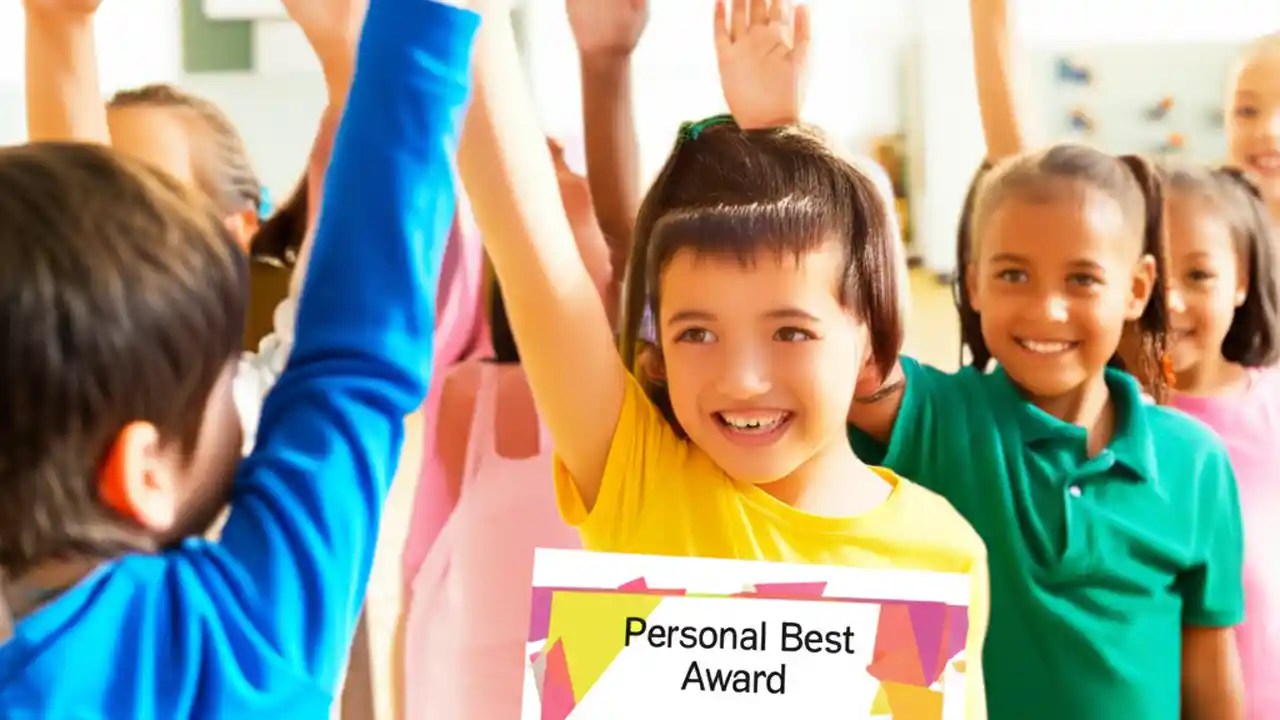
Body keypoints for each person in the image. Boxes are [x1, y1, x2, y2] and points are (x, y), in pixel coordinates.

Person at [460, 0, 989, 716]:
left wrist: (786, 137)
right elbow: (530, 248)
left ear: (869, 338)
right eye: (697, 334)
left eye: (791, 333)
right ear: (654, 355)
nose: (742, 380)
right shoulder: (640, 482)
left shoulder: (943, 550)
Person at [0, 0, 479, 715]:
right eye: (220, 379)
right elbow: (353, 361)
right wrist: (420, 24)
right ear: (144, 472)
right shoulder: (234, 637)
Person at [848, 144, 1246, 719]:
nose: (1047, 310)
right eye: (1013, 274)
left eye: (1082, 279)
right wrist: (774, 124)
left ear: (1136, 289)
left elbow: (1210, 676)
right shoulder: (935, 417)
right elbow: (833, 348)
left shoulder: (1195, 460)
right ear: (974, 282)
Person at [1163, 164, 1280, 719]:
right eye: (1152, 271)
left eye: (1199, 275)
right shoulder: (1103, 420)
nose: (1171, 299)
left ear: (1240, 280)